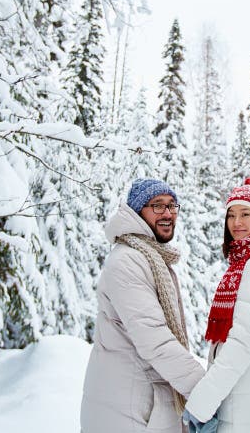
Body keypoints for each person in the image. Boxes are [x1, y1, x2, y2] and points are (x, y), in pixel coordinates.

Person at [81, 178, 205, 433]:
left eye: (172, 206)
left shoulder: (147, 257)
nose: (168, 213)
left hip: (142, 403)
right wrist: (204, 391)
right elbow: (155, 340)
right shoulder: (127, 261)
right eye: (157, 206)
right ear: (138, 211)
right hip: (128, 409)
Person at [183, 177, 250, 433]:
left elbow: (241, 342)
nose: (236, 223)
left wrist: (201, 403)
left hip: (248, 402)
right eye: (231, 215)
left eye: (245, 214)